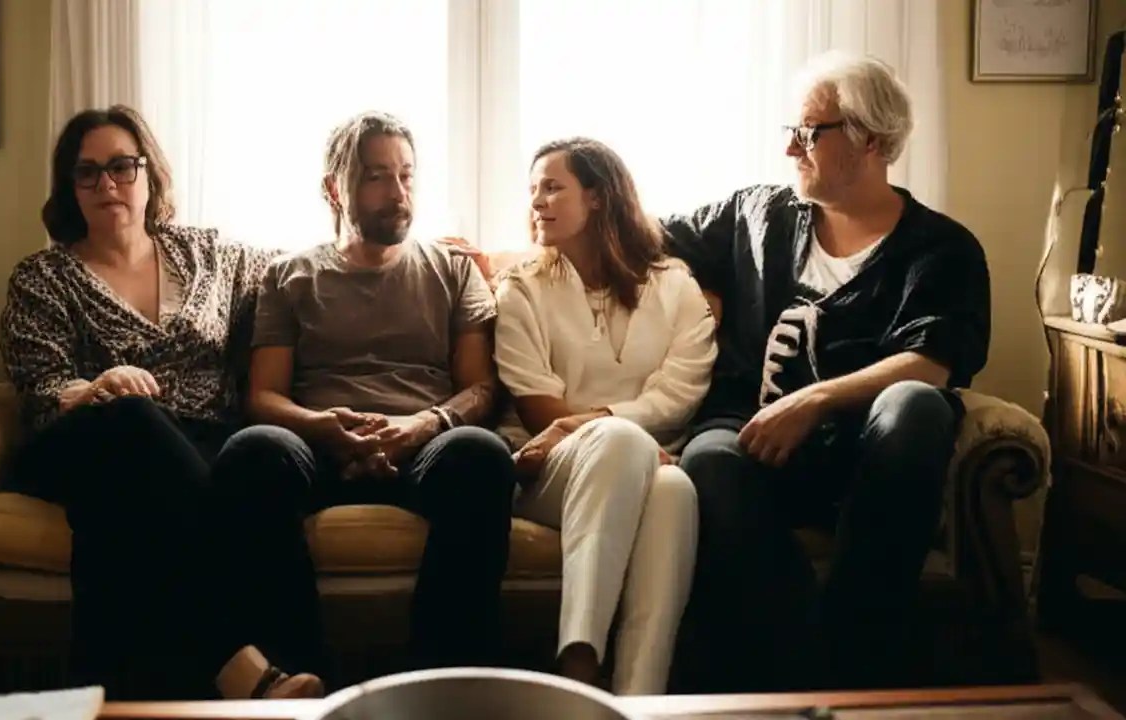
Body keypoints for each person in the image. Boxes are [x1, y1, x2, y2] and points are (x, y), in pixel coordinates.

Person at [665, 51, 991, 691]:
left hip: (866, 456)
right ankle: (810, 664)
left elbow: (932, 360)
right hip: (752, 438)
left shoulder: (941, 248)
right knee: (707, 458)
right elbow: (646, 235)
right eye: (791, 129)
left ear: (869, 140)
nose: (790, 147)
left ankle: (856, 645)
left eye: (809, 131)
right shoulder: (760, 215)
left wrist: (813, 401)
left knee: (917, 406)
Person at [0, 105, 326, 700]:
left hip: (200, 446)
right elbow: (39, 385)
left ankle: (305, 689)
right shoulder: (43, 277)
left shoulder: (210, 256)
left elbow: (299, 275)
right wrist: (98, 386)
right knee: (133, 420)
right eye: (87, 173)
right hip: (89, 442)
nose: (107, 185)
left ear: (151, 173)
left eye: (122, 166)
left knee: (260, 457)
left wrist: (398, 255)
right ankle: (241, 666)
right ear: (69, 188)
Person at [245, 111, 517, 669]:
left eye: (407, 176)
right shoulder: (287, 275)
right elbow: (263, 397)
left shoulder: (453, 270)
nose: (398, 193)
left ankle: (444, 683)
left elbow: (481, 388)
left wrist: (424, 426)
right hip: (319, 448)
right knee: (254, 454)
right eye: (376, 176)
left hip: (422, 446)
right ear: (333, 188)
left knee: (481, 455)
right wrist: (320, 428)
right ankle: (295, 679)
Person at [495, 138, 717, 694]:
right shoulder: (522, 287)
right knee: (623, 442)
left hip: (656, 460)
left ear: (597, 197)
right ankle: (579, 662)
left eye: (552, 186)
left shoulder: (674, 284)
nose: (536, 202)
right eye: (532, 190)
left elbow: (681, 393)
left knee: (674, 491)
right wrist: (604, 430)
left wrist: (597, 423)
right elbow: (534, 402)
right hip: (548, 471)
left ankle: (638, 696)